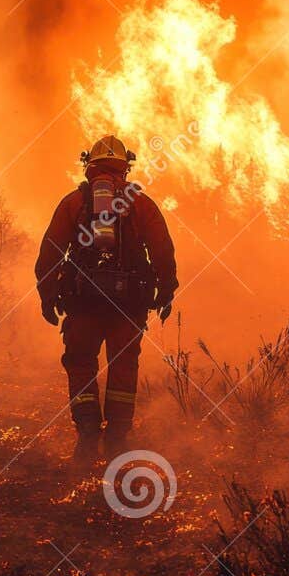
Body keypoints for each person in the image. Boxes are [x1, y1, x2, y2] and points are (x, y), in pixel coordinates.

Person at [35, 135, 177, 464]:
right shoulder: (141, 204)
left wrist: (47, 295)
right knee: (124, 366)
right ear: (125, 167)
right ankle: (117, 438)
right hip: (129, 305)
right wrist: (166, 290)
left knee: (81, 363)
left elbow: (50, 253)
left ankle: (87, 435)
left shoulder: (74, 203)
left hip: (82, 303)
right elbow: (162, 251)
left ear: (89, 165)